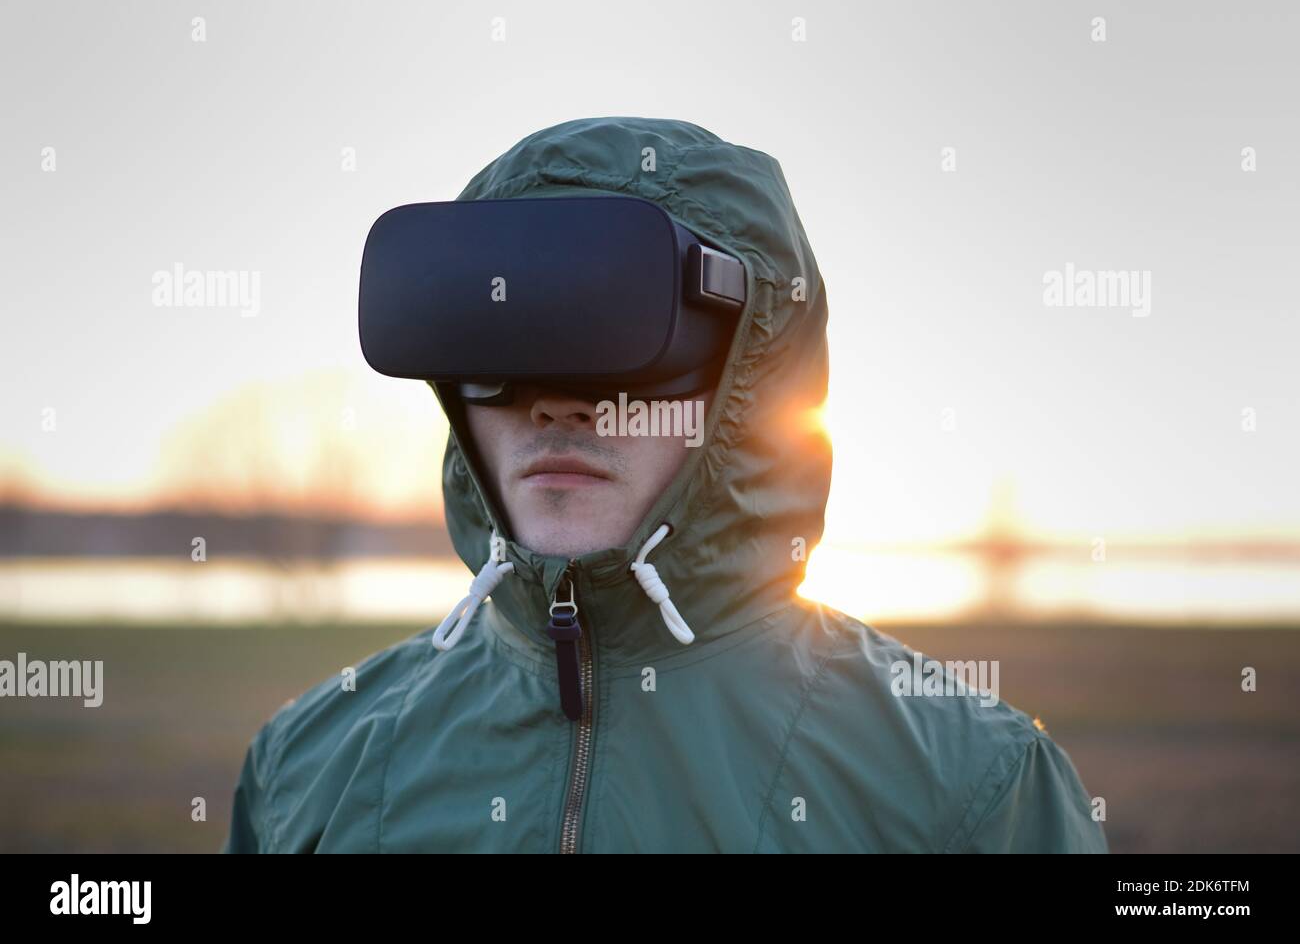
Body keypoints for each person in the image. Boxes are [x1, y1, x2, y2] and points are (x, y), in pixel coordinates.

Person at [222, 116, 1108, 853]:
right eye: (502, 354)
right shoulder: (306, 768)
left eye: (626, 338)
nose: (558, 405)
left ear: (749, 385)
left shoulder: (967, 788)